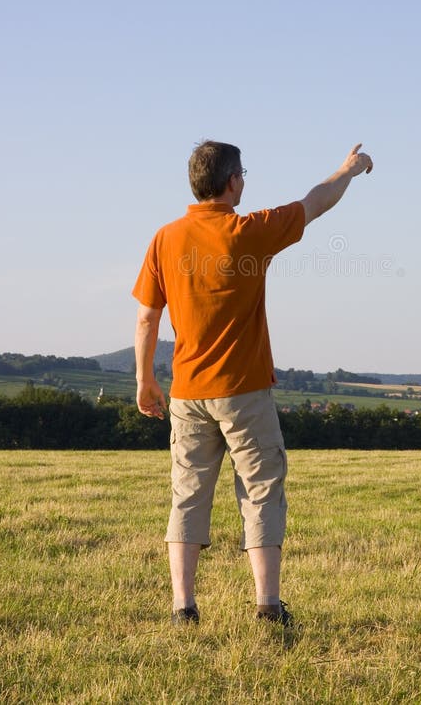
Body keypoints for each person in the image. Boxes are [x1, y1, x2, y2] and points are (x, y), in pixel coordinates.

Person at [132, 140, 373, 626]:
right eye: (243, 173)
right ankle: (267, 605)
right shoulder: (249, 231)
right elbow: (316, 201)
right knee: (261, 491)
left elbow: (146, 320)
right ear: (232, 182)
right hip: (244, 392)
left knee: (188, 495)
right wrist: (349, 168)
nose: (245, 180)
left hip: (188, 392)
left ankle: (184, 607)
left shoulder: (164, 238)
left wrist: (144, 381)